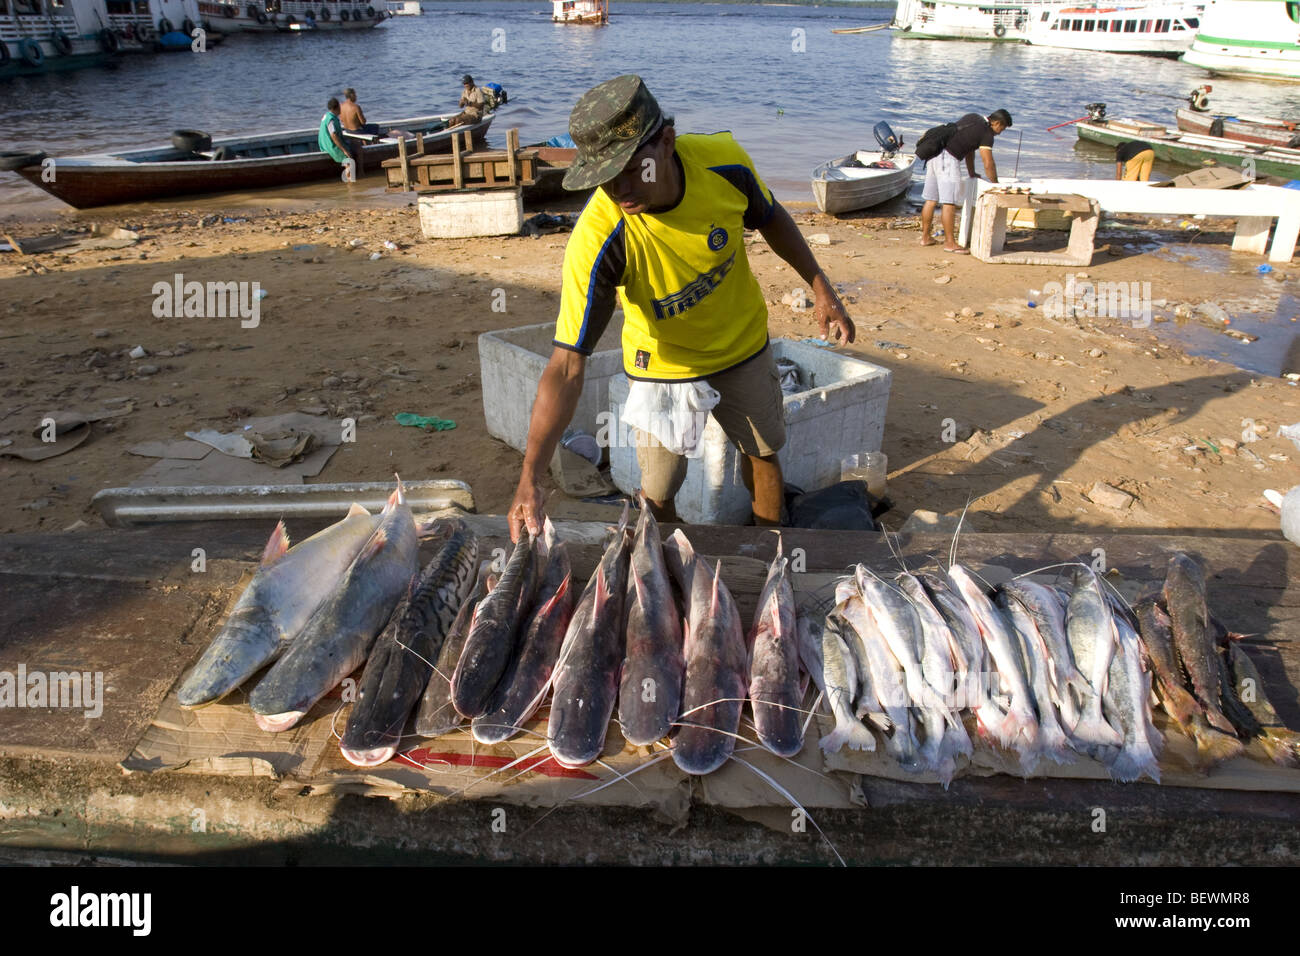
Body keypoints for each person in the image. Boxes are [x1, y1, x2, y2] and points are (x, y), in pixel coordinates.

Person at [506, 75, 856, 542]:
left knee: (764, 453)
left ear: (667, 142)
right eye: (605, 178)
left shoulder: (723, 163)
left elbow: (771, 216)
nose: (620, 189)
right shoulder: (598, 240)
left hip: (741, 343)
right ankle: (672, 561)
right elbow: (568, 365)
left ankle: (771, 547)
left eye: (632, 169)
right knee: (659, 487)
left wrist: (821, 286)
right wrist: (529, 476)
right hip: (662, 361)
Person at [920, 108, 1012, 254]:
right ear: (996, 122)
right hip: (948, 160)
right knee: (949, 202)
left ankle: (925, 237)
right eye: (1002, 128)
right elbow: (988, 163)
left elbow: (969, 149)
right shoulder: (987, 134)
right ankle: (950, 243)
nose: (1000, 132)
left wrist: (971, 172)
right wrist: (995, 184)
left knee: (931, 200)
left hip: (935, 154)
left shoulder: (973, 117)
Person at [318, 97, 363, 175]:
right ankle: (350, 183)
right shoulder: (331, 119)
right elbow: (333, 136)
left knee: (356, 145)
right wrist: (345, 150)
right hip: (329, 145)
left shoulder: (328, 115)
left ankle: (359, 173)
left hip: (325, 143)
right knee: (348, 160)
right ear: (336, 108)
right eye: (339, 106)